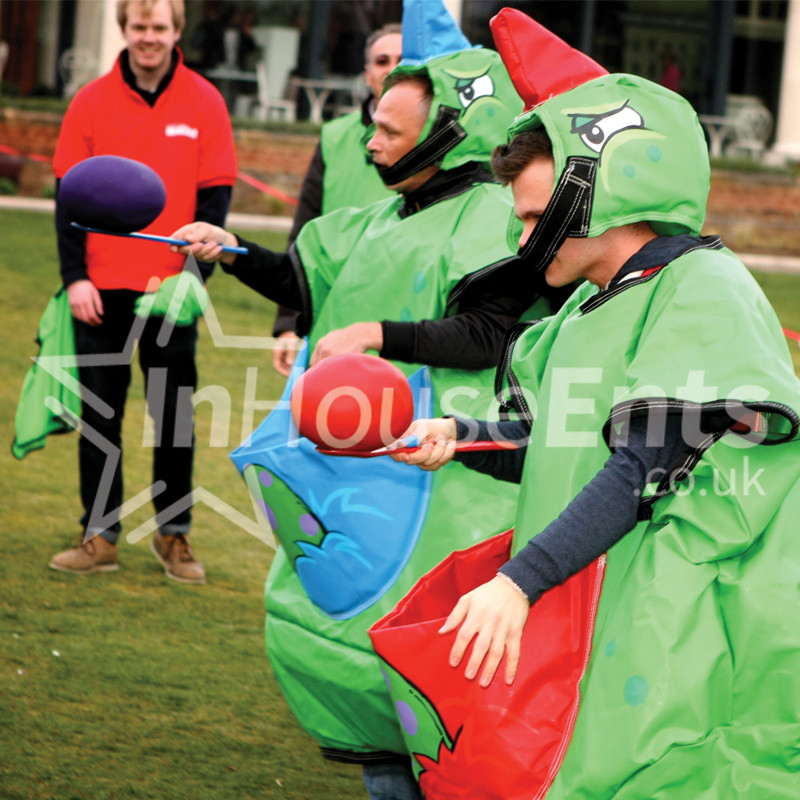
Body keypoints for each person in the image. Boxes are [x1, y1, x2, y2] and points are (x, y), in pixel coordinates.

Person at [382, 9, 800, 798]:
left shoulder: (702, 289)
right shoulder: (584, 307)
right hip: (596, 606)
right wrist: (464, 435)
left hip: (676, 617)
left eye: (539, 218)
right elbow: (561, 446)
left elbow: (642, 464)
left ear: (601, 198)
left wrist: (519, 581)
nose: (523, 240)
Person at [170, 3, 568, 794]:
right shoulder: (371, 221)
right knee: (346, 629)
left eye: (389, 131)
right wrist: (234, 253)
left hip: (446, 475)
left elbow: (489, 333)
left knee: (426, 650)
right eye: (374, 124)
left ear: (443, 134)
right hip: (358, 468)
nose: (371, 142)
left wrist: (383, 335)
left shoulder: (490, 220)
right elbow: (302, 284)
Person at [48, 0, 237, 584]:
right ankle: (99, 535)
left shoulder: (205, 101)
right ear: (124, 31)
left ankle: (173, 537)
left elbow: (215, 202)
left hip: (169, 294)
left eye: (159, 27)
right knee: (99, 416)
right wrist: (75, 277)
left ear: (176, 31)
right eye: (138, 27)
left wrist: (191, 282)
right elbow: (67, 199)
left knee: (175, 417)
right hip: (100, 291)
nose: (148, 37)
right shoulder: (90, 102)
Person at [271, 23, 402, 377]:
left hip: (405, 318)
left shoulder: (442, 144)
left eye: (403, 60)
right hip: (334, 315)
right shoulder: (334, 137)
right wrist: (288, 322)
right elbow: (305, 232)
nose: (392, 68)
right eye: (382, 60)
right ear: (367, 73)